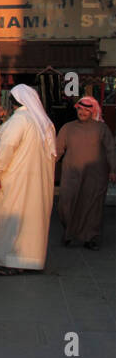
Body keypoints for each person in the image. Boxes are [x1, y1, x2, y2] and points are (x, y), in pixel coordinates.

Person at [0, 84, 56, 275]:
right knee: (32, 221)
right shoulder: (44, 122)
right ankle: (31, 260)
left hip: (15, 181)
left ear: (13, 102)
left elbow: (7, 147)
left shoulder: (20, 121)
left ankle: (11, 262)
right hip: (37, 183)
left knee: (11, 221)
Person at [55, 96, 116, 250]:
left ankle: (91, 237)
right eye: (80, 109)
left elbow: (110, 150)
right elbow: (57, 150)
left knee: (92, 206)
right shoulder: (68, 128)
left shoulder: (101, 128)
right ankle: (69, 233)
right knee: (66, 204)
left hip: (95, 175)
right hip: (72, 174)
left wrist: (113, 169)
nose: (82, 112)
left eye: (86, 110)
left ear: (92, 111)